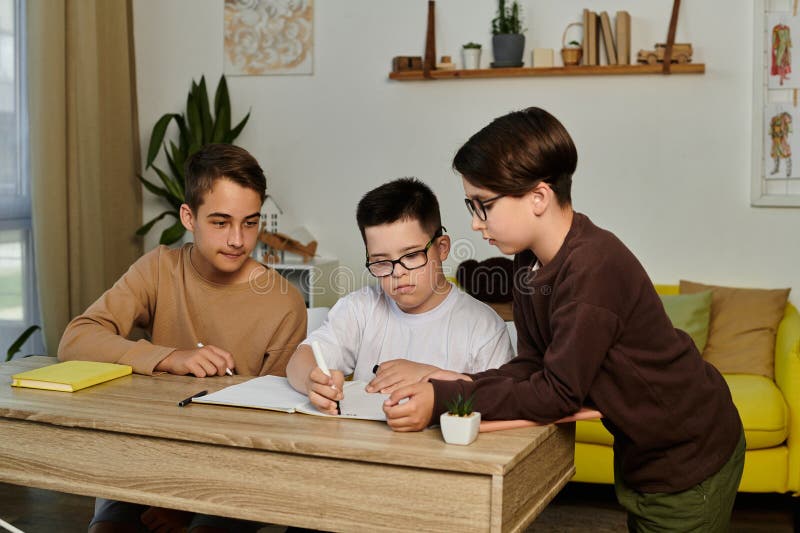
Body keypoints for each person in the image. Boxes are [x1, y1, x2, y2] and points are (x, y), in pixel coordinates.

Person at [383, 108, 745, 532]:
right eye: (471, 205)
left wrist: (444, 400)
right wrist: (449, 382)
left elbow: (557, 393)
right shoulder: (530, 261)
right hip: (647, 456)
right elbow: (533, 366)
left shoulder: (593, 268)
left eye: (484, 205)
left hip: (689, 452)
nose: (474, 222)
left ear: (538, 197)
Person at [59, 143, 306, 533]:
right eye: (220, 222)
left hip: (232, 475)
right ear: (188, 217)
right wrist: (170, 357)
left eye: (250, 222)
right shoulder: (157, 268)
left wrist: (187, 503)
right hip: (144, 458)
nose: (238, 240)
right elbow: (76, 339)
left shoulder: (285, 302)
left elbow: (275, 430)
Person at [286, 177, 513, 414]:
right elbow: (301, 359)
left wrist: (431, 378)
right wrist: (312, 382)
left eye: (412, 255)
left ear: (442, 248)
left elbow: (500, 399)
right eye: (381, 262)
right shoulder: (359, 308)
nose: (398, 272)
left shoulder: (484, 327)